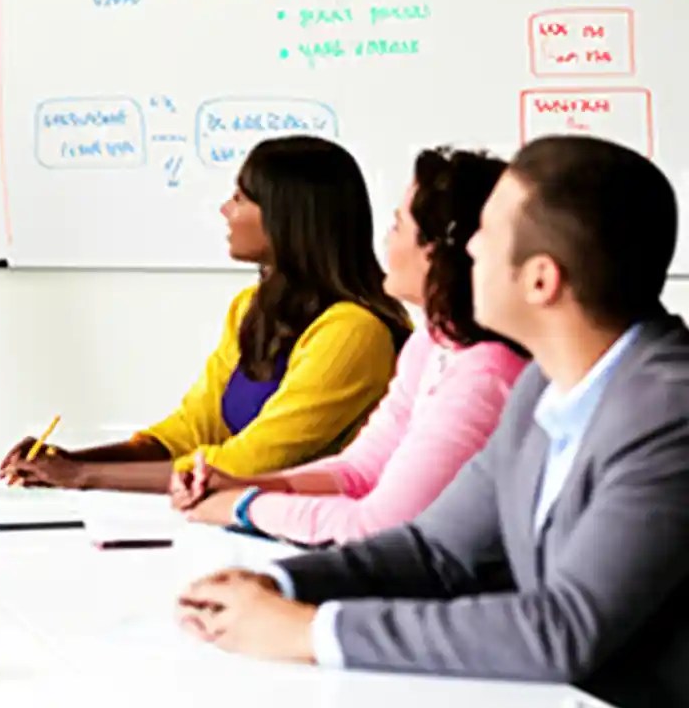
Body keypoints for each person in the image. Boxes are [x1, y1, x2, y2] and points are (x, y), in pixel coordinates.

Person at [176, 136, 689, 708]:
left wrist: (308, 632)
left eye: (487, 232)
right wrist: (283, 583)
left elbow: (562, 629)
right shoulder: (544, 386)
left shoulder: (668, 411)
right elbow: (434, 548)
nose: (467, 245)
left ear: (541, 280)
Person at [0, 136, 412, 493]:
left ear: (286, 218)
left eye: (240, 198)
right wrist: (68, 460)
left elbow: (250, 463)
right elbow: (192, 431)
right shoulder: (251, 308)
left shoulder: (355, 333)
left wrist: (85, 475)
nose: (225, 210)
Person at [174, 148, 529, 546]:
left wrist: (245, 506)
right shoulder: (433, 342)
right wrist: (247, 486)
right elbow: (359, 471)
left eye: (397, 226)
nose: (386, 240)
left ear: (435, 252)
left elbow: (377, 526)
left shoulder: (485, 375)